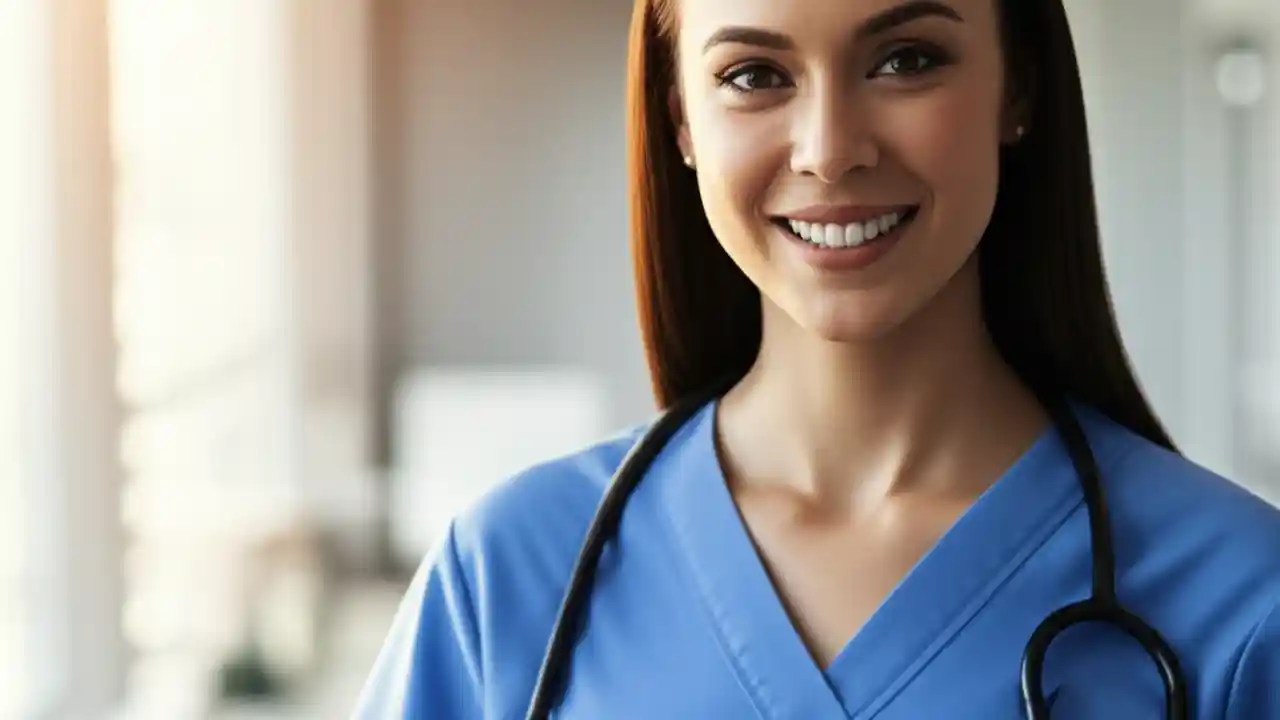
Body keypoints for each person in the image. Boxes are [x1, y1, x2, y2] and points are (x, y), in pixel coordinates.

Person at [354, 0, 1280, 716]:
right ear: (681, 120)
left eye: (907, 59)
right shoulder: (510, 579)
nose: (830, 151)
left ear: (1020, 88)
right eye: (755, 75)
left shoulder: (1241, 602)